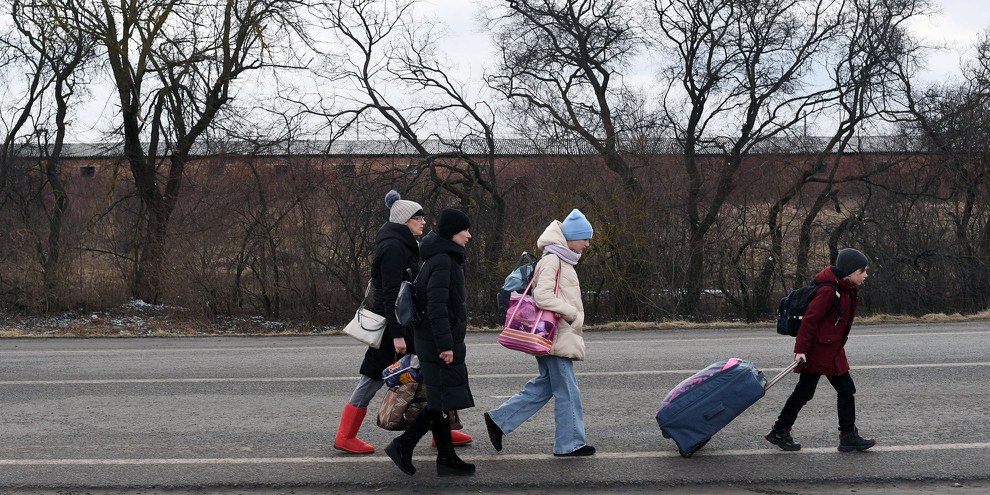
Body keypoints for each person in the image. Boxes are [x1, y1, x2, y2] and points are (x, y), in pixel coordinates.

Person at [333, 191, 472, 454]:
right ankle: (345, 435)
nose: (422, 222)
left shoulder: (407, 245)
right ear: (403, 221)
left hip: (405, 325)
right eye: (417, 218)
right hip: (391, 328)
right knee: (372, 378)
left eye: (422, 217)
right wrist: (397, 334)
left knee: (430, 375)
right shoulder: (393, 248)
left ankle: (441, 432)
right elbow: (391, 294)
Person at [483, 208, 596, 457]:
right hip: (553, 335)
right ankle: (570, 444)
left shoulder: (561, 258)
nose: (587, 244)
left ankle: (499, 420)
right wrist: (571, 313)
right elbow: (543, 296)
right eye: (584, 239)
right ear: (571, 237)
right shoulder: (552, 260)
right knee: (567, 389)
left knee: (547, 385)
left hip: (556, 334)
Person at [385, 208, 477, 476]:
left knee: (442, 399)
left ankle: (447, 458)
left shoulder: (442, 258)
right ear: (452, 232)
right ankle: (403, 444)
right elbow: (436, 308)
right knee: (439, 400)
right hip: (438, 342)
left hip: (435, 340)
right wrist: (446, 346)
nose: (469, 235)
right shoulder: (443, 261)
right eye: (465, 230)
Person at [765, 247, 877, 453]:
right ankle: (781, 430)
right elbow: (809, 321)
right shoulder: (829, 291)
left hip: (832, 350)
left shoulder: (847, 289)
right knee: (806, 393)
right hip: (817, 352)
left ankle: (848, 436)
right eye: (862, 271)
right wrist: (800, 351)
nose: (865, 275)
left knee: (843, 390)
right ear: (849, 272)